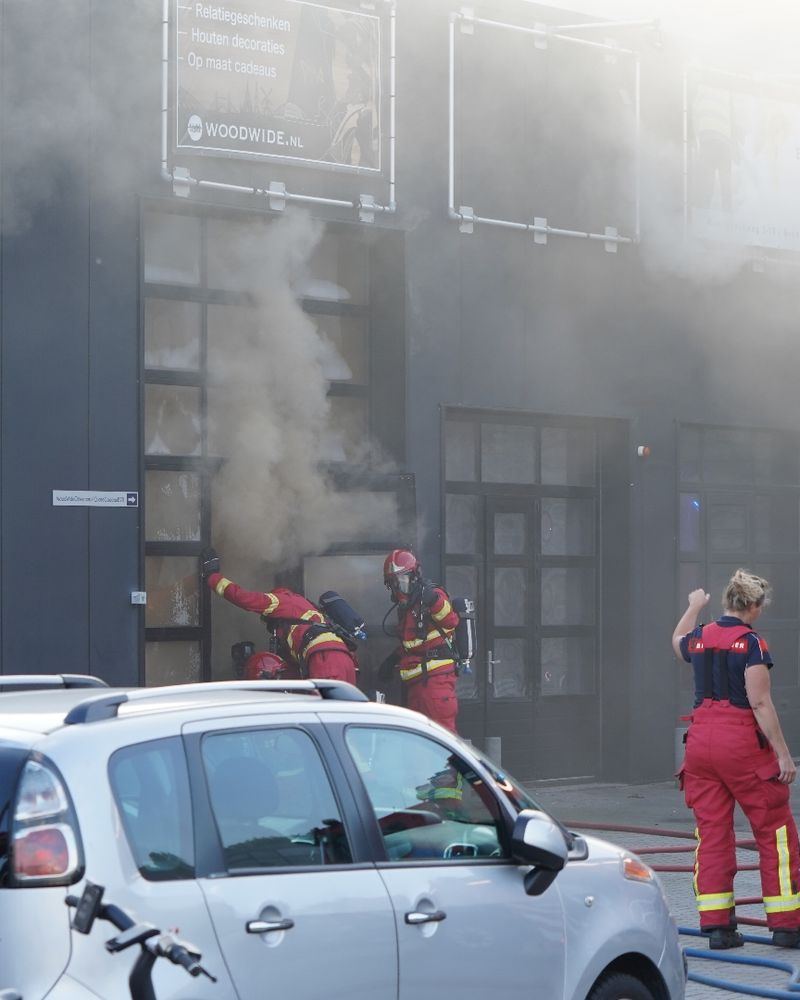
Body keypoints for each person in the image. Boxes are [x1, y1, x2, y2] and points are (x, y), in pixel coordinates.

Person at [672, 568, 800, 950]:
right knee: (775, 831)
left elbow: (677, 640)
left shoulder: (701, 637)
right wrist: (783, 756)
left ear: (727, 601)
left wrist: (694, 606)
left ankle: (717, 928)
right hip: (739, 742)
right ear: (755, 607)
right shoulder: (752, 643)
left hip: (699, 744)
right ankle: (786, 925)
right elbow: (760, 703)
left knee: (711, 832)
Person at [202, 549, 358, 685]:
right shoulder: (305, 612)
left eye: (271, 624)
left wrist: (213, 577)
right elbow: (291, 674)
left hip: (324, 660)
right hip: (342, 661)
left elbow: (244, 598)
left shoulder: (282, 600)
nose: (273, 630)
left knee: (324, 714)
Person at [381, 548, 459, 732]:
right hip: (416, 685)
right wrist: (393, 658)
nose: (398, 588)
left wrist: (433, 600)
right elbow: (413, 642)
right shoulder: (408, 607)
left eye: (401, 581)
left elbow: (451, 620)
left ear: (414, 576)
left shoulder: (431, 595)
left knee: (442, 742)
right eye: (393, 583)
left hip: (434, 685)